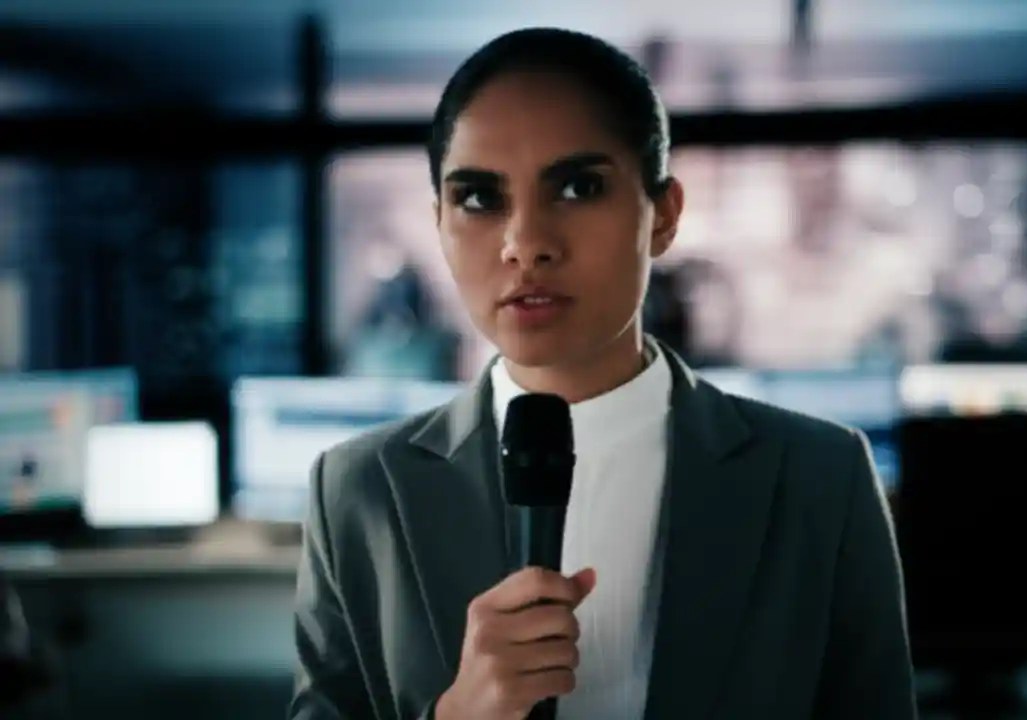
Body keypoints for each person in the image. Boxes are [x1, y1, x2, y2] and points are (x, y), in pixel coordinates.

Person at [289, 27, 916, 720]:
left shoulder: (821, 479)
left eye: (578, 187)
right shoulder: (358, 492)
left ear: (663, 216)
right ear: (439, 223)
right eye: (479, 199)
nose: (525, 244)